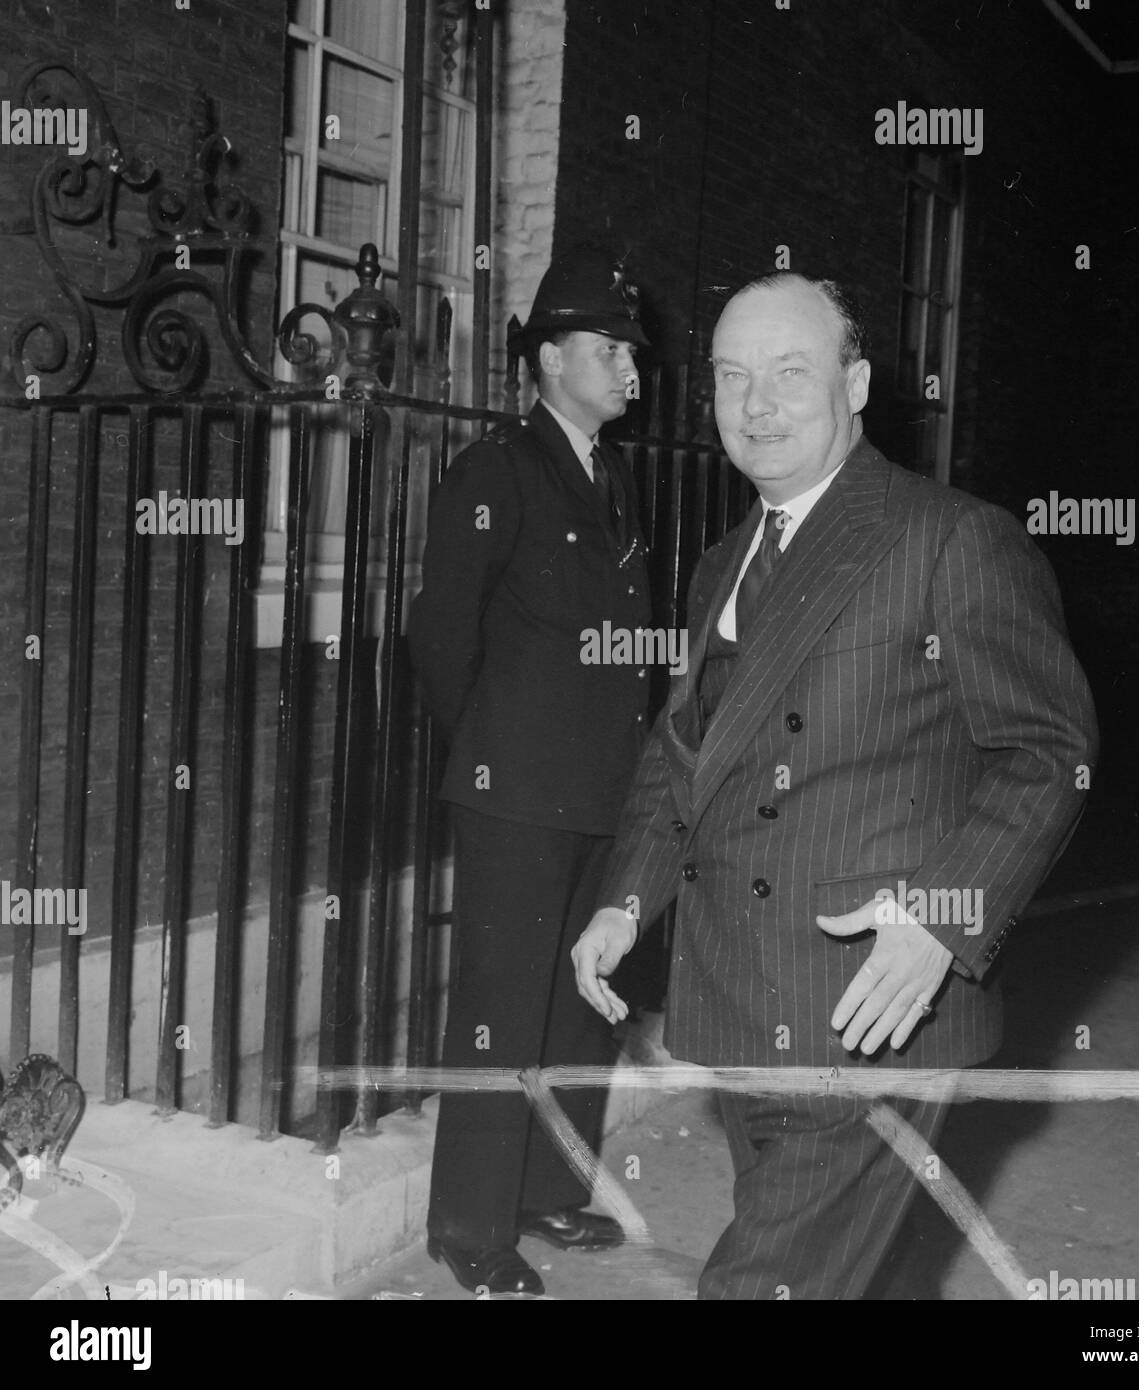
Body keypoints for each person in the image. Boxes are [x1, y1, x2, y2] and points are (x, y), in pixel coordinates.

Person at [574, 270, 1099, 1299]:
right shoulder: (722, 563)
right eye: (732, 378)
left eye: (788, 373)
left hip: (869, 1014)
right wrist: (626, 900)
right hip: (739, 997)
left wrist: (945, 920)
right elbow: (683, 754)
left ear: (855, 385)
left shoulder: (948, 538)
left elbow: (1050, 752)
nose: (756, 404)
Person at [409, 247, 653, 1297]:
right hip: (515, 791)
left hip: (602, 786)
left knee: (579, 1003)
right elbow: (439, 635)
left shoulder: (613, 471)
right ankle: (468, 1226)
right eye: (611, 347)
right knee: (499, 1012)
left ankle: (547, 1188)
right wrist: (490, 754)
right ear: (551, 359)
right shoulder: (496, 469)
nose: (633, 366)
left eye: (634, 349)